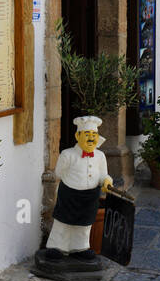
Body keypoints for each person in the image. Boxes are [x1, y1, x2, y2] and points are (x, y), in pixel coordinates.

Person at [41, 115, 113, 270]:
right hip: (69, 194)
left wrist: (106, 181)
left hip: (90, 196)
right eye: (87, 135)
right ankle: (56, 247)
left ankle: (79, 248)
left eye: (94, 135)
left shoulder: (100, 156)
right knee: (63, 222)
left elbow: (103, 174)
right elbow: (59, 173)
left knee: (84, 224)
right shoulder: (67, 155)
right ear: (78, 136)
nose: (91, 139)